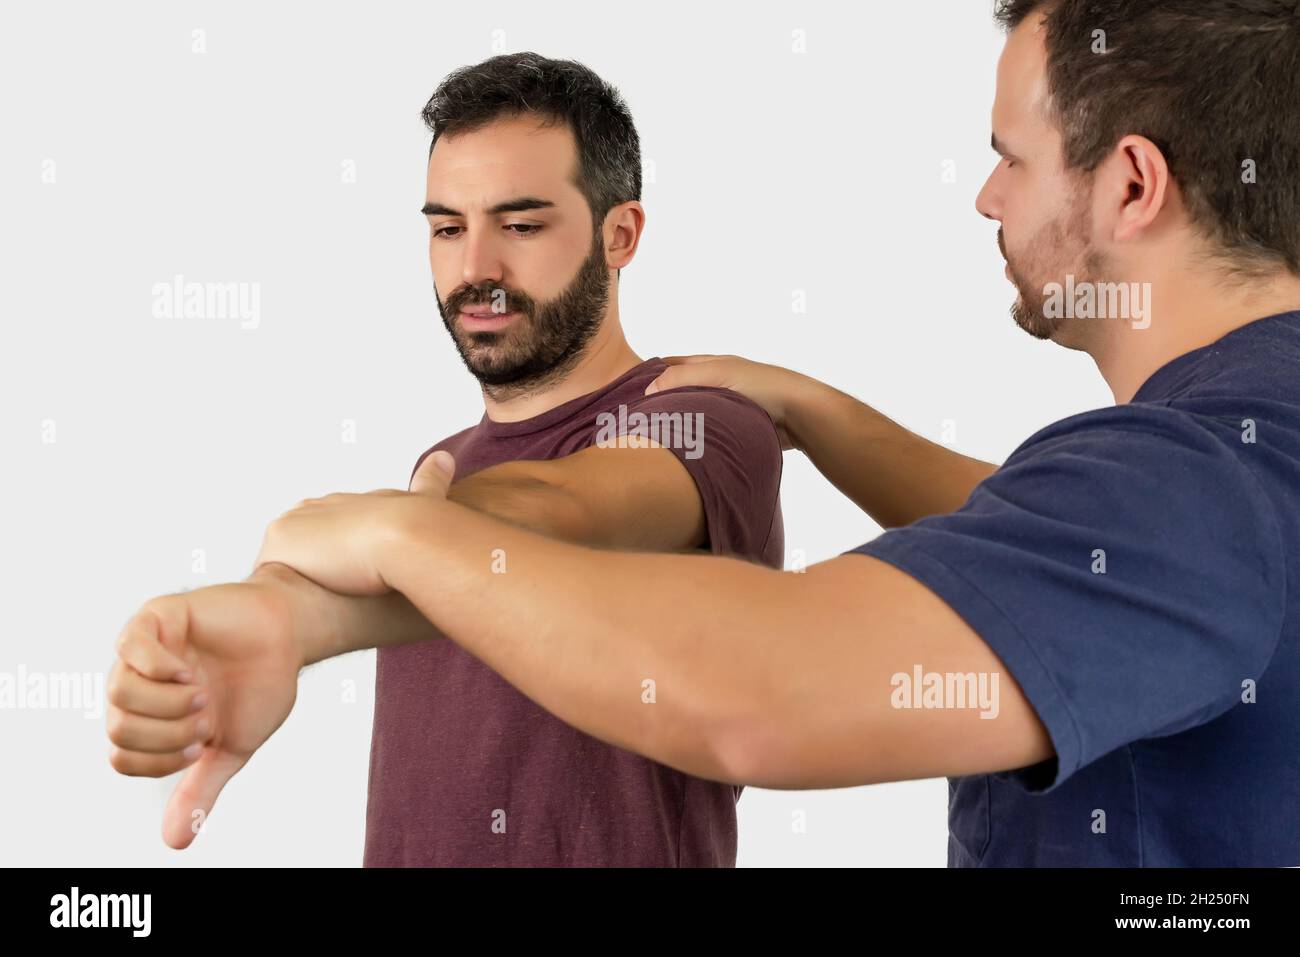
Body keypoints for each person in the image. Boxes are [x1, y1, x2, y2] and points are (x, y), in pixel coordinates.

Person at [114, 0, 1300, 866]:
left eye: (1009, 158)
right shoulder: (1229, 465)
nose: (985, 197)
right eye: (444, 226)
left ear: (1132, 185)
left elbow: (754, 688)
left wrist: (366, 539)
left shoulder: (1193, 479)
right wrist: (811, 406)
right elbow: (1039, 540)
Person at [106, 53, 784, 866]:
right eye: (448, 228)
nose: (475, 270)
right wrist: (277, 613)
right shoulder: (437, 468)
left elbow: (555, 510)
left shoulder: (708, 424)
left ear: (620, 234)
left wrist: (387, 534)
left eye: (522, 225)